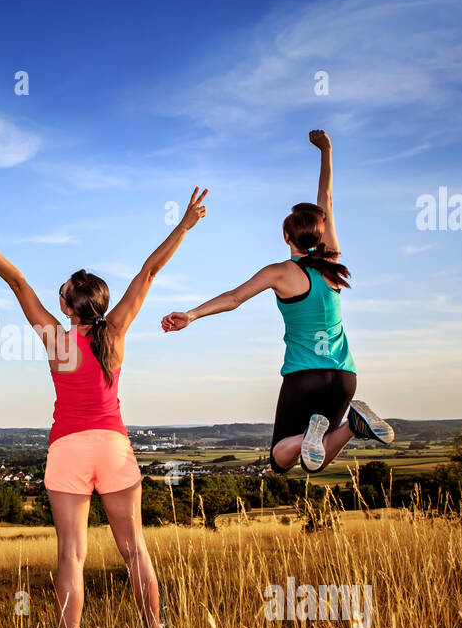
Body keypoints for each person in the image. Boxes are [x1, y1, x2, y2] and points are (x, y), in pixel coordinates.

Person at [0, 189, 208, 628]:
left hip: (68, 450)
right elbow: (149, 271)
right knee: (134, 548)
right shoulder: (115, 330)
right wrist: (184, 225)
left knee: (71, 553)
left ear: (67, 306)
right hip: (113, 447)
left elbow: (17, 282)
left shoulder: (56, 338)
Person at [161, 131, 392, 473]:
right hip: (344, 375)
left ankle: (308, 435)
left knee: (281, 460)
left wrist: (193, 315)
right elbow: (326, 199)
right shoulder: (332, 264)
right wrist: (326, 151)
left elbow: (234, 298)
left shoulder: (280, 272)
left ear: (286, 236)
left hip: (304, 376)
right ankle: (353, 426)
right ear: (320, 235)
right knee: (315, 461)